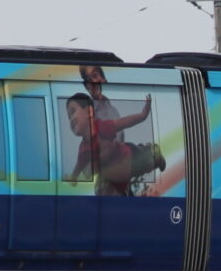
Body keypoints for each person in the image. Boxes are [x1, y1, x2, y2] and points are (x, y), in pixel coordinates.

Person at [66, 66, 164, 196]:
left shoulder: (109, 113)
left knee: (147, 160)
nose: (92, 83)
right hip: (111, 176)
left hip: (127, 159)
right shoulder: (84, 147)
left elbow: (124, 123)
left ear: (104, 79)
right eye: (87, 80)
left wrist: (143, 115)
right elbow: (80, 167)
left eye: (94, 76)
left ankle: (150, 151)